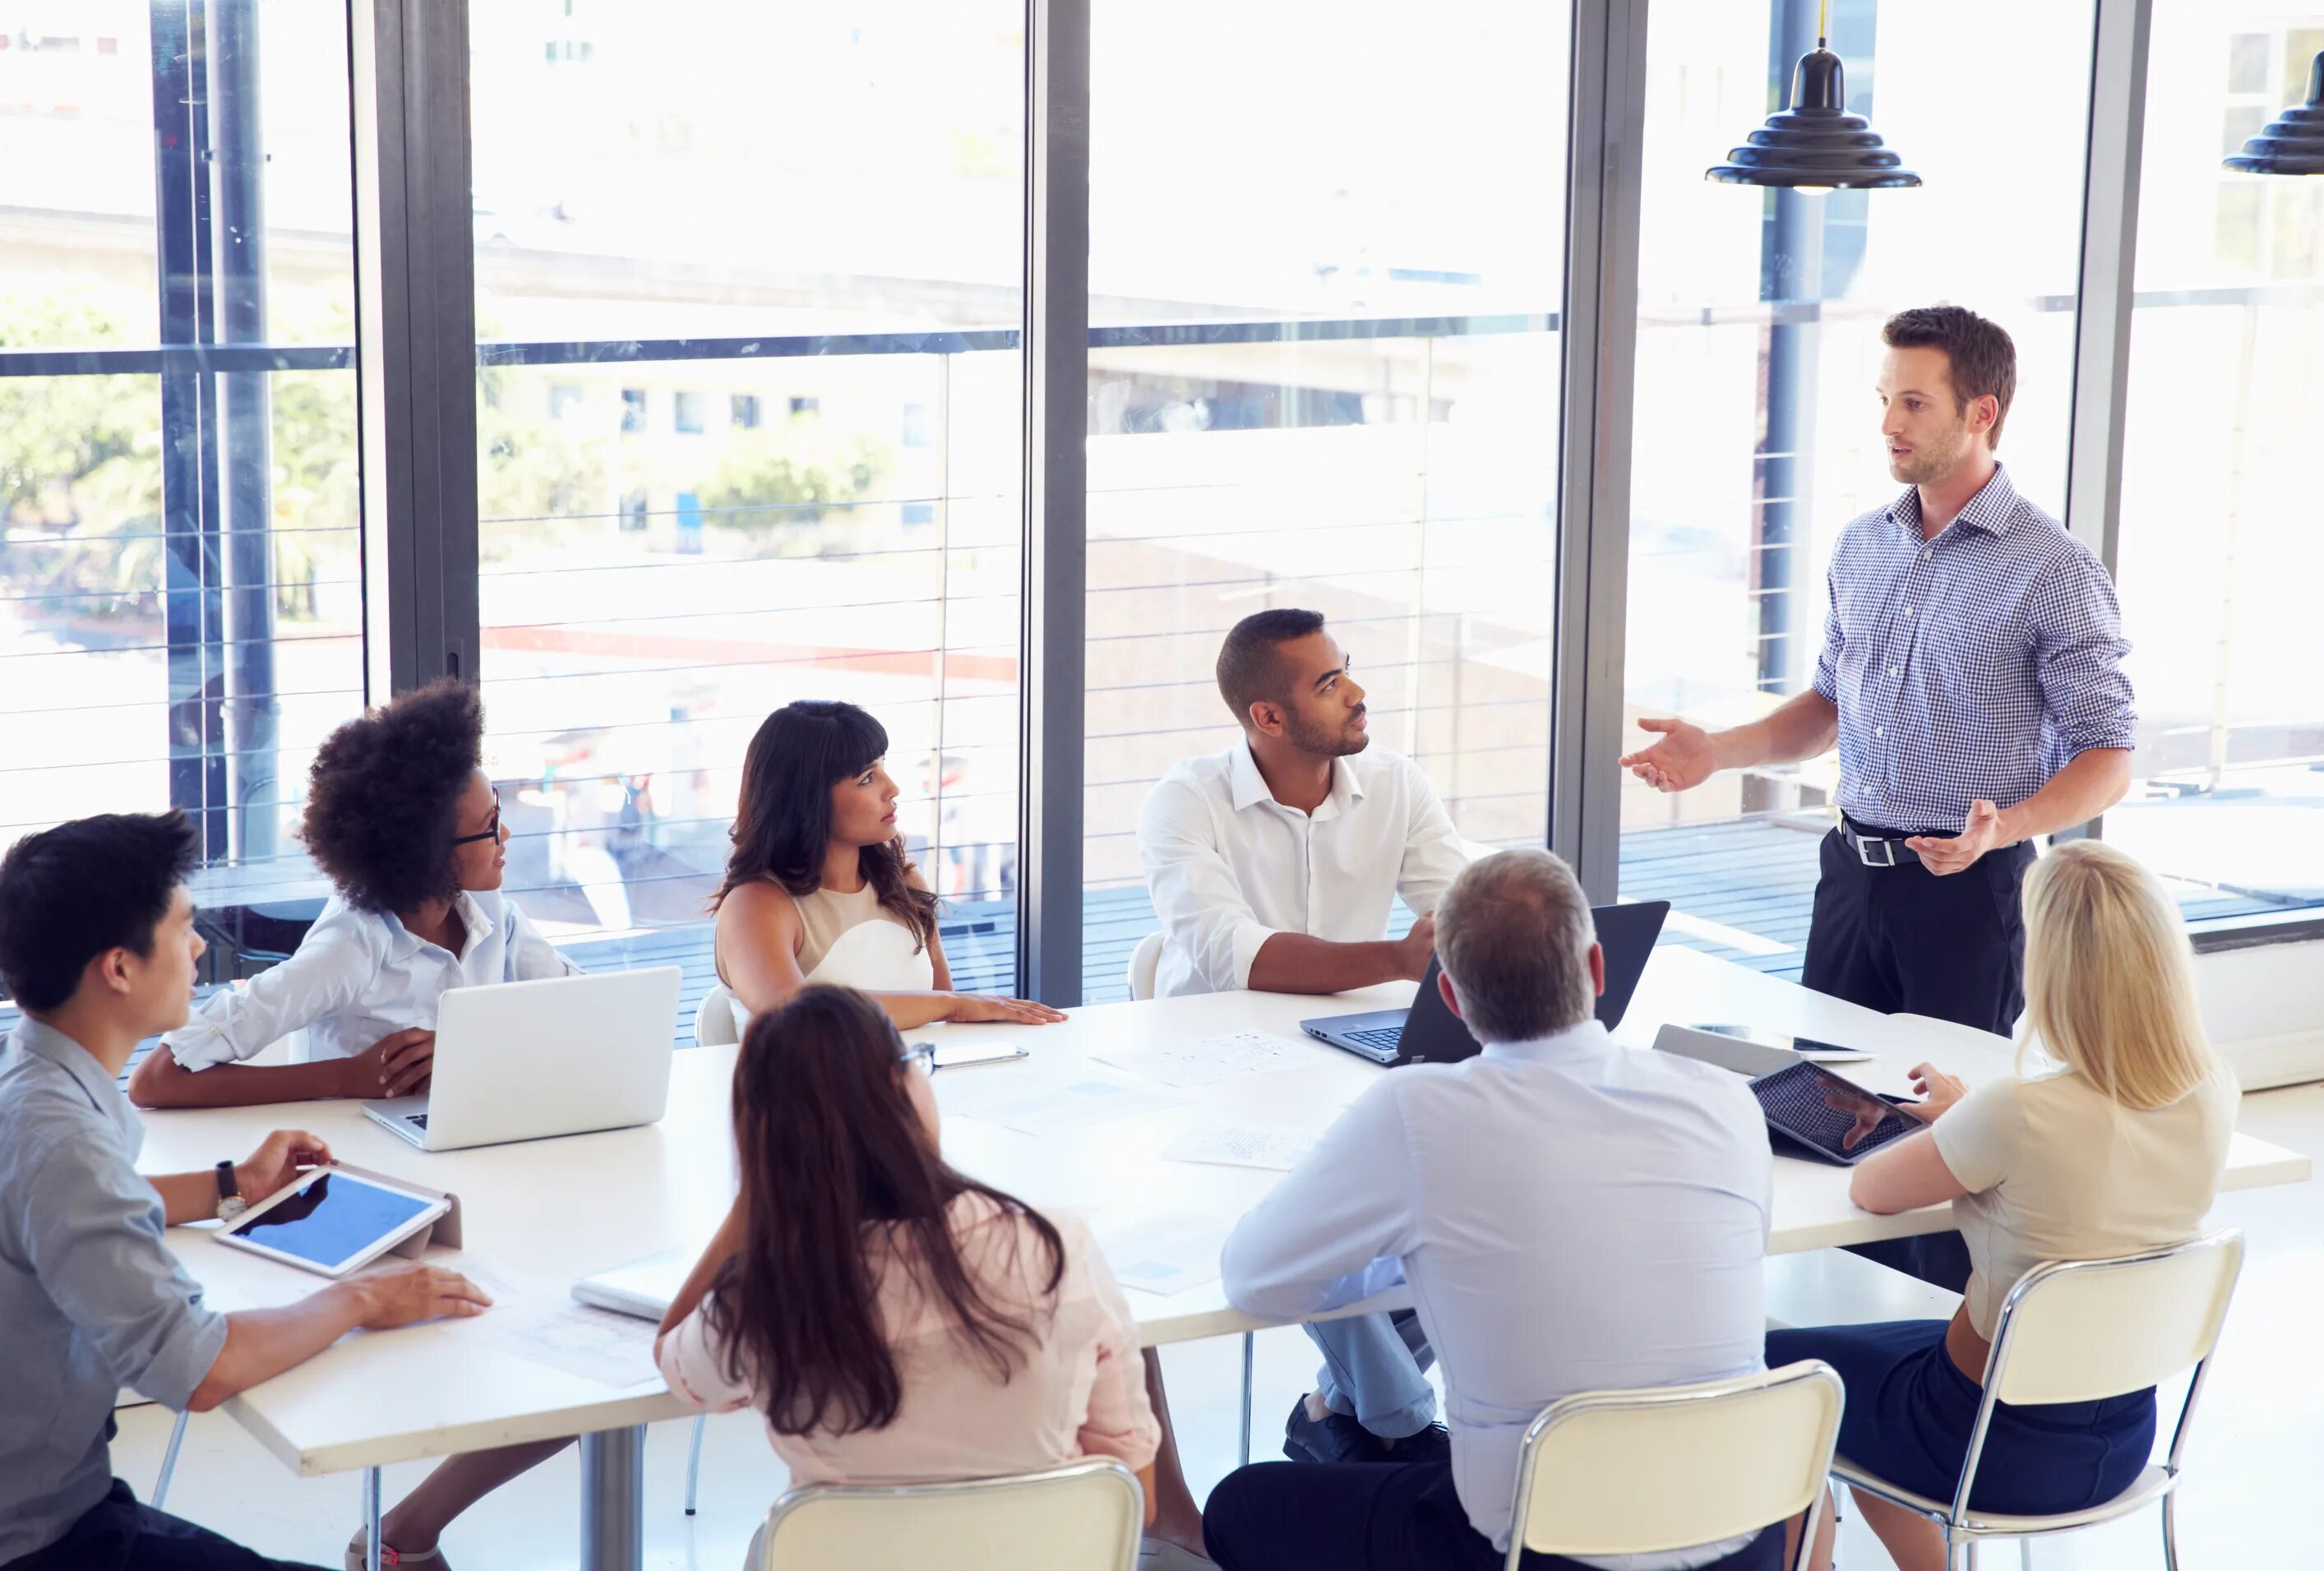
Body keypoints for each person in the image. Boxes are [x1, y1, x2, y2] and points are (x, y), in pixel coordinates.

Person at [1201, 848, 1779, 1571]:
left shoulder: (1419, 1116)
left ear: (1448, 995)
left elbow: (1254, 1280)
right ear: (1598, 970)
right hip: (1746, 1533)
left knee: (1241, 1507)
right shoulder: (1721, 1098)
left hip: (1539, 1548)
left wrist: (1414, 1269)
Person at [0, 811, 490, 1571]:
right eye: (185, 928)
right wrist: (363, 1300)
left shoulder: (18, 1069)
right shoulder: (63, 1140)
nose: (198, 948)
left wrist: (231, 1186)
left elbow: (52, 1208)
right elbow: (199, 1366)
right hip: (38, 1542)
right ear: (119, 968)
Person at [1624, 304, 2136, 1044]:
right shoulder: (1863, 546)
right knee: (1819, 1099)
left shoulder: (2053, 567)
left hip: (1969, 891)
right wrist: (1719, 751)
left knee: (1946, 1124)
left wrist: (2005, 831)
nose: (1890, 423)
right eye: (1886, 400)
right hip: (1849, 876)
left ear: (1981, 413)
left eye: (1916, 403)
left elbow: (2109, 756)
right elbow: (1831, 706)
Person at [1767, 841, 2240, 1571]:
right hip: (2124, 1434)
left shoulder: (2018, 1112)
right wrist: (1968, 1120)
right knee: (1873, 1366)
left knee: (1776, 1368)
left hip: (1983, 1442)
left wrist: (1961, 1123)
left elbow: (1872, 1191)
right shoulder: (2213, 1092)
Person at [654, 986, 1160, 1571]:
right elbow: (1136, 1494)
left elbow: (677, 1365)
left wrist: (757, 1197)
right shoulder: (1055, 1249)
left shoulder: (765, 1297)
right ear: (902, 1087)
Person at [1136, 608, 1477, 1471]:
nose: (1358, 693)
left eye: (1348, 670)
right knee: (1320, 1234)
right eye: (1329, 683)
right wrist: (1398, 957)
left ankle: (1340, 1408)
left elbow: (1459, 907)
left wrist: (1468, 936)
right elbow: (1229, 950)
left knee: (1459, 1211)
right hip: (1212, 1073)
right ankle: (1393, 1420)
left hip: (1354, 1058)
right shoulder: (1184, 799)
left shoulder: (1395, 783)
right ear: (1269, 717)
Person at [129, 679, 576, 1110]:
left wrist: (470, 1049)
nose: (506, 833)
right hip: (370, 1157)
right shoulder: (349, 948)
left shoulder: (494, 916)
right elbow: (156, 1079)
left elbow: (585, 1011)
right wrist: (346, 1076)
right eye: (489, 826)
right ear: (428, 854)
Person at [711, 700, 1064, 1030]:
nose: (892, 788)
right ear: (806, 800)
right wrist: (952, 1004)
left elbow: (944, 1020)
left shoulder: (904, 881)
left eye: (883, 767)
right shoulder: (756, 904)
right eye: (866, 778)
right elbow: (796, 1015)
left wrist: (951, 1007)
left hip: (914, 1086)